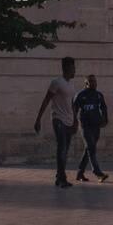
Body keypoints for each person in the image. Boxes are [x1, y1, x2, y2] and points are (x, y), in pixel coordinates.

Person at [34, 56, 79, 188]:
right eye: (73, 68)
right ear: (67, 68)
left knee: (65, 150)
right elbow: (46, 100)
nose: (75, 70)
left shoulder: (71, 85)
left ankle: (60, 177)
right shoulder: (56, 82)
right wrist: (38, 119)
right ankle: (61, 178)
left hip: (69, 121)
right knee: (62, 148)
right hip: (58, 119)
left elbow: (72, 104)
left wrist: (76, 120)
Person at [73, 74, 110, 183]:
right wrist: (73, 123)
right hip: (85, 126)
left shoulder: (98, 95)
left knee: (89, 149)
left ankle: (80, 173)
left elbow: (104, 108)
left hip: (96, 126)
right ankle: (97, 173)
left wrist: (105, 120)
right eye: (91, 82)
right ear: (86, 83)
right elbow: (74, 110)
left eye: (95, 81)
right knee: (91, 148)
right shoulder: (80, 95)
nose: (94, 83)